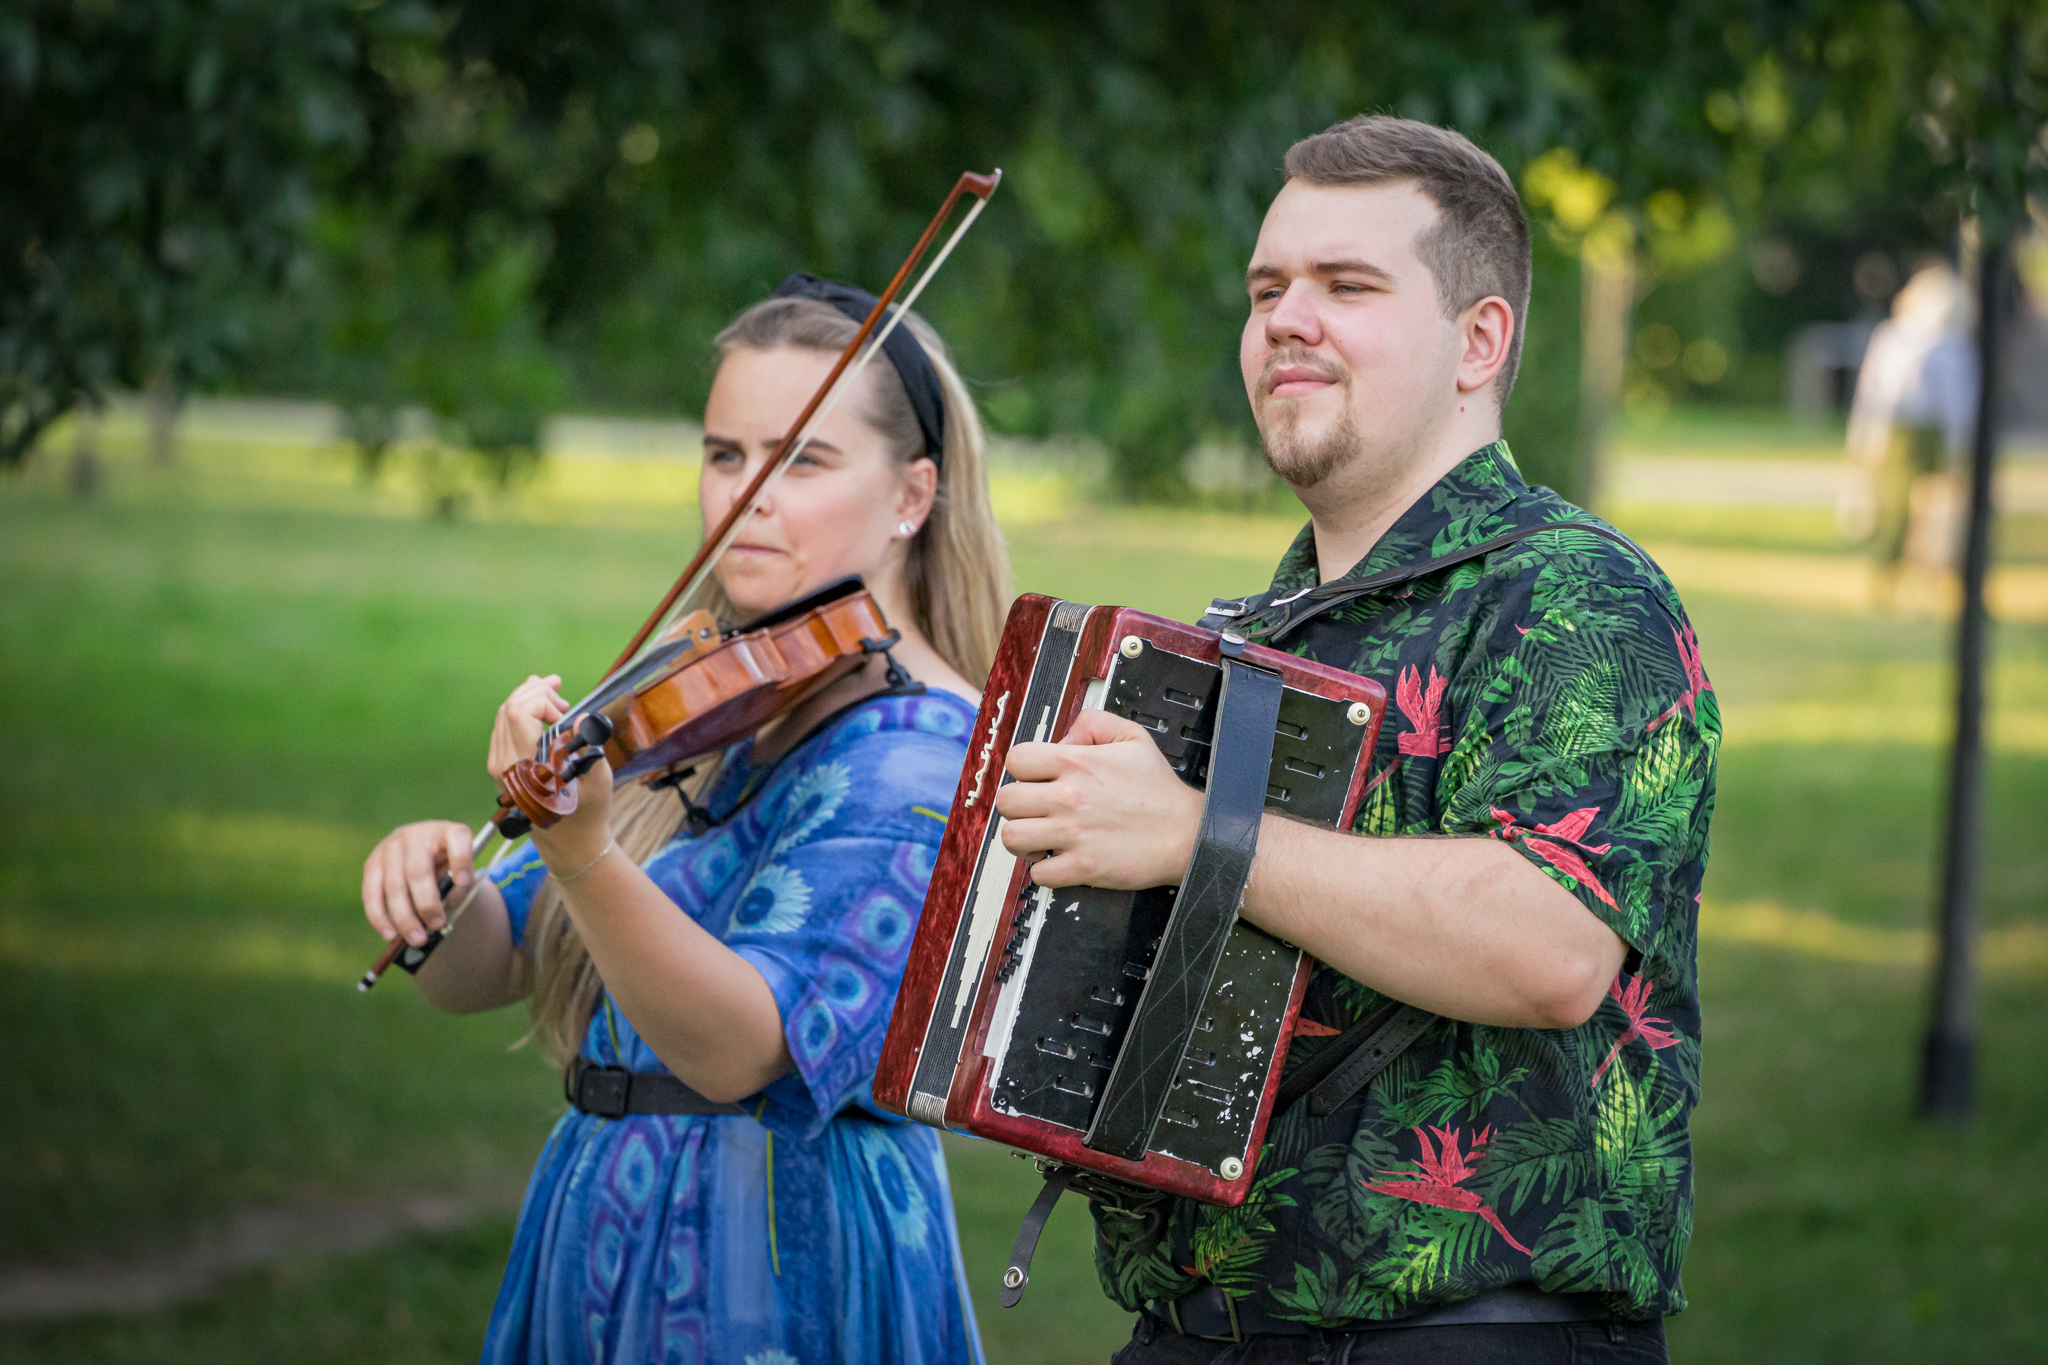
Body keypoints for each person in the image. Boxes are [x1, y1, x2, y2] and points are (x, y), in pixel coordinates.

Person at [997, 116, 1717, 1362]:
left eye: (1346, 286)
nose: (1287, 317)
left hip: (1465, 1336)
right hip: (1200, 1331)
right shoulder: (1255, 636)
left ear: (1476, 341)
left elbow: (1549, 943)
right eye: (1267, 287)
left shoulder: (1578, 596)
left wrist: (1191, 835)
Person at [359, 278, 1007, 1364]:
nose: (746, 496)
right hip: (604, 1244)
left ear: (912, 494)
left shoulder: (925, 760)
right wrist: (435, 891)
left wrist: (586, 853)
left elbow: (742, 1048)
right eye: (722, 455)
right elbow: (495, 962)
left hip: (769, 1270)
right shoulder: (708, 700)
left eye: (799, 460)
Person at [1842, 261, 1979, 600]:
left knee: (1935, 508)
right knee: (1894, 504)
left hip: (1933, 430)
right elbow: (1874, 391)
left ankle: (1925, 577)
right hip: (1899, 429)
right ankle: (1887, 571)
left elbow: (1958, 400)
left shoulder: (1953, 343)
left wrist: (1958, 443)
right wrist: (1865, 436)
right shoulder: (1894, 337)